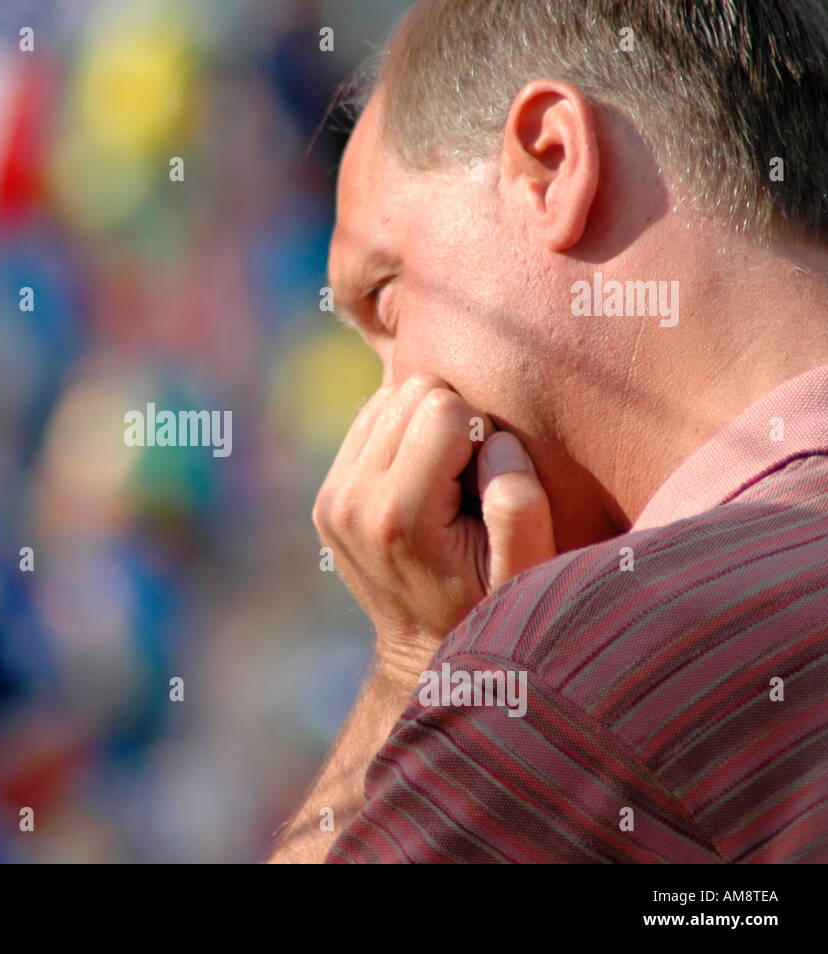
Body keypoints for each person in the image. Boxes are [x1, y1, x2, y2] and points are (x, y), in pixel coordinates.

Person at [269, 0, 828, 863]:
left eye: (385, 298)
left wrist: (416, 666)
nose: (384, 406)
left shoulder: (573, 667)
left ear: (551, 165)